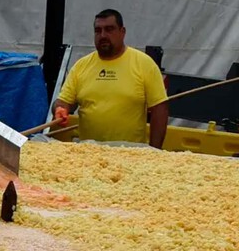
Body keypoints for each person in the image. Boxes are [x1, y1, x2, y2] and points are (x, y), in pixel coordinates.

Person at [53, 9, 168, 148]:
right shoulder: (81, 66)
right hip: (89, 153)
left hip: (131, 154)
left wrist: (154, 151)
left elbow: (159, 110)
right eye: (98, 30)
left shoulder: (144, 64)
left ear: (122, 32)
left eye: (109, 29)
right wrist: (60, 109)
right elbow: (63, 101)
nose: (103, 35)